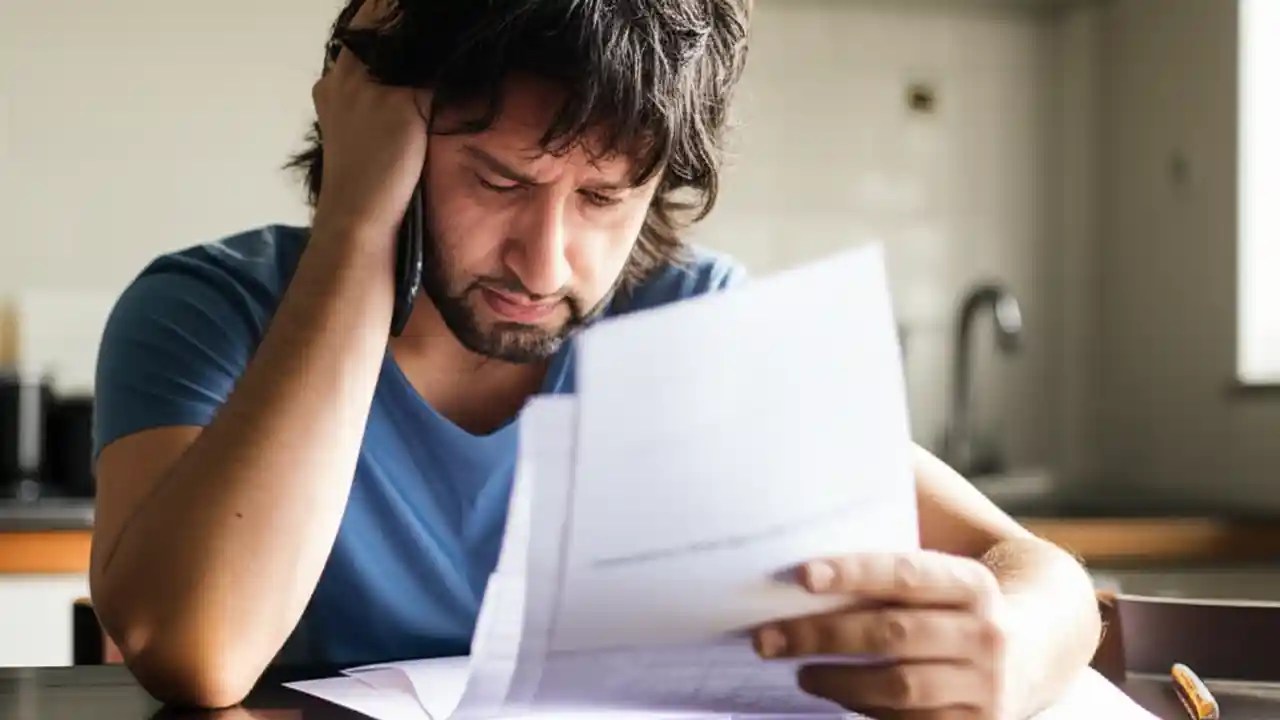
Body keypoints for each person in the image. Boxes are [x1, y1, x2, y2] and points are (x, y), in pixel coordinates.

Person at [88, 1, 1101, 717]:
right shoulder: (207, 311)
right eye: (495, 179)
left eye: (603, 199)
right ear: (379, 128)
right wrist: (359, 231)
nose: (544, 259)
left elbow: (1039, 574)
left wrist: (1008, 650)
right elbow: (197, 652)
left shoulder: (694, 326)